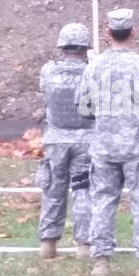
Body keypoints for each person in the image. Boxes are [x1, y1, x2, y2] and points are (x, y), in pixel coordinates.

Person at [77, 8, 139, 276]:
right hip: (137, 147)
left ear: (107, 33)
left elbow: (84, 109)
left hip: (103, 147)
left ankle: (101, 262)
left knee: (103, 201)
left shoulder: (93, 67)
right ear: (133, 32)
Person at [37, 22, 95, 260]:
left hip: (55, 140)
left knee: (53, 190)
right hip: (86, 140)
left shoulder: (48, 71)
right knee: (83, 191)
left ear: (62, 46)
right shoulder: (93, 71)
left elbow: (45, 95)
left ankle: (48, 245)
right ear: (84, 47)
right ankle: (83, 246)